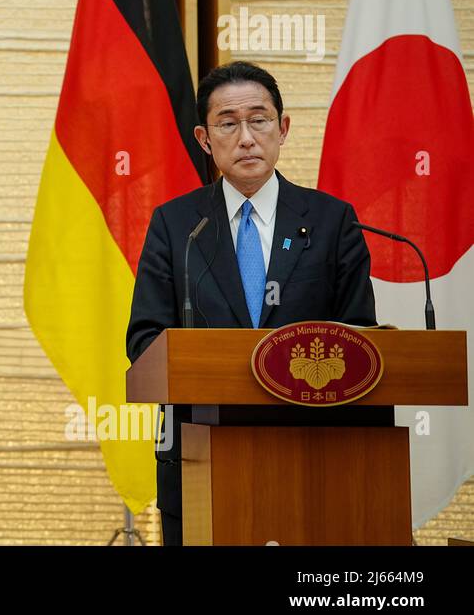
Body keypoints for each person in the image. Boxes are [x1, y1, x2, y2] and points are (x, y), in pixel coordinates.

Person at [126, 61, 376, 545]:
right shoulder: (177, 226)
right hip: (201, 455)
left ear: (282, 129)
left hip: (316, 456)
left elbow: (358, 335)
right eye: (227, 123)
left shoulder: (331, 221)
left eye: (259, 120)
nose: (245, 137)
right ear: (204, 138)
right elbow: (144, 340)